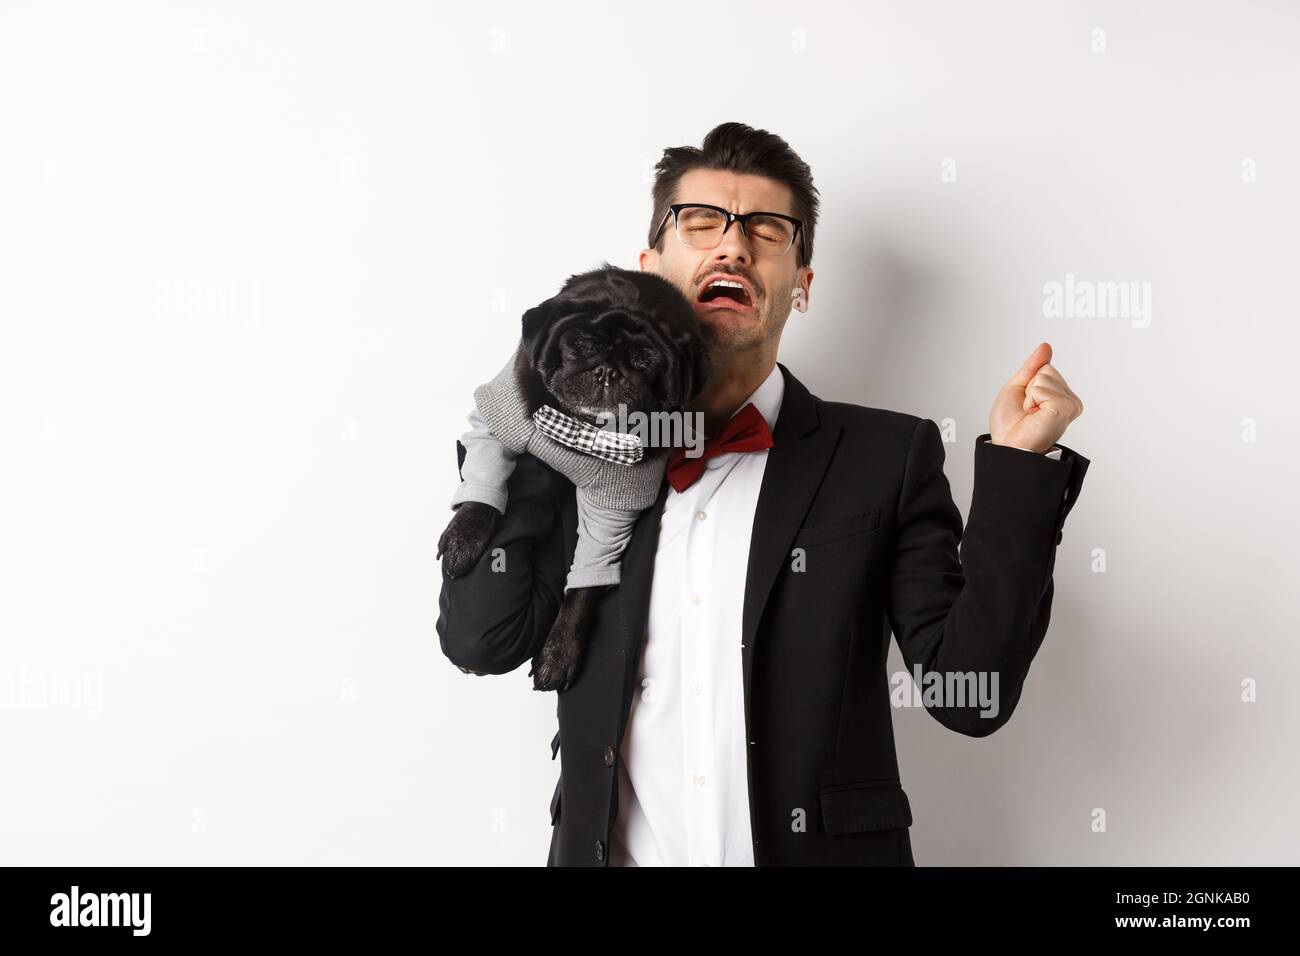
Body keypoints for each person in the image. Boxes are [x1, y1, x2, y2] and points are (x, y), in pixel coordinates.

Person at [437, 121, 1089, 866]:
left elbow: (969, 696)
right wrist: (525, 417)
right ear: (651, 265)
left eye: (768, 231)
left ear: (802, 285)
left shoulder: (887, 456)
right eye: (702, 221)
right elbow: (482, 642)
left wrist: (1018, 471)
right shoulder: (583, 448)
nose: (733, 245)